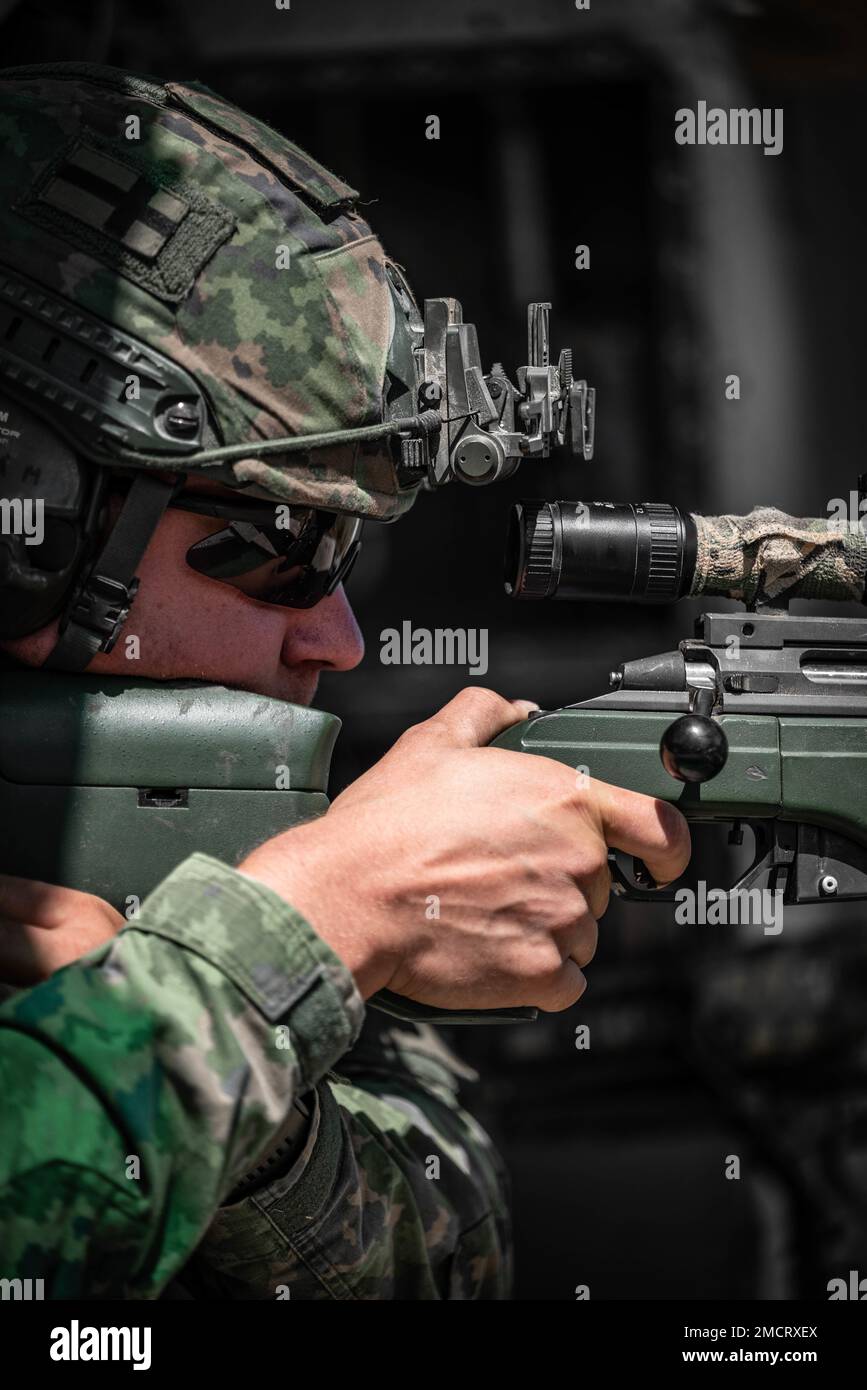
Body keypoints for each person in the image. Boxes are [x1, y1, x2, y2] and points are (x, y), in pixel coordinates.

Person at [0, 62, 690, 1298]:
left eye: (349, 554)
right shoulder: (280, 905)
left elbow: (448, 1232)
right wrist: (303, 930)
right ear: (32, 524)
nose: (340, 638)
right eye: (281, 547)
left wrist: (232, 1074)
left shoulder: (176, 842)